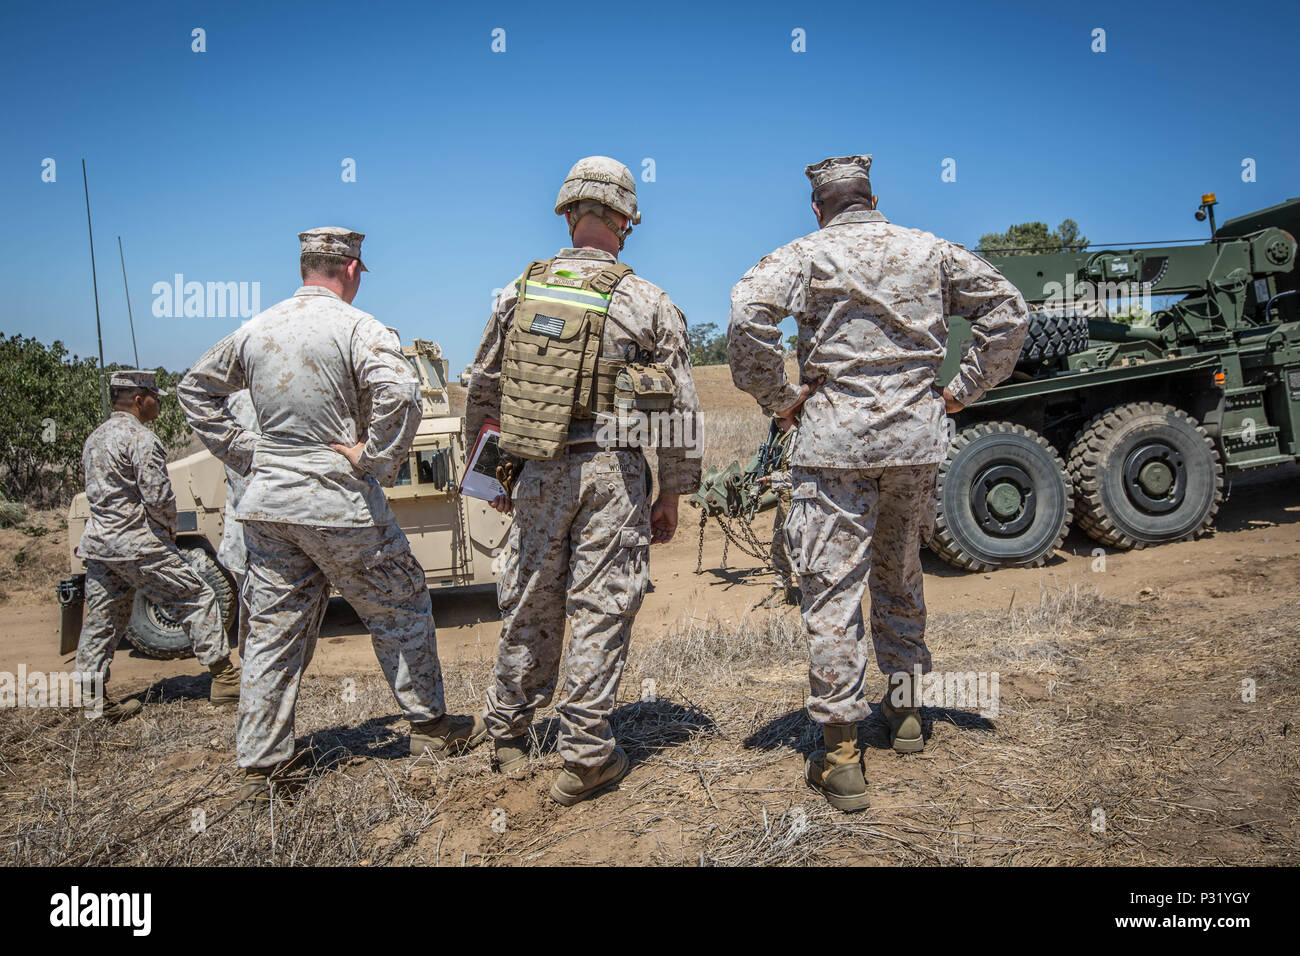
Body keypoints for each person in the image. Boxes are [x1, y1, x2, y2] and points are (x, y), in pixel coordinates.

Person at [728, 155, 1028, 811]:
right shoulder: (931, 250)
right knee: (898, 569)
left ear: (818, 206)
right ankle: (908, 716)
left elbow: (748, 315)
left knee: (832, 587)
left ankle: (839, 756)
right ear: (872, 197)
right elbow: (1009, 309)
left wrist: (781, 397)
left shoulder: (803, 255)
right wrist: (961, 389)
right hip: (915, 441)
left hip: (833, 446)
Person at [178, 227, 485, 803]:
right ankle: (429, 728)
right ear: (348, 268)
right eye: (360, 271)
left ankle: (263, 762)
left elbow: (194, 389)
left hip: (267, 506)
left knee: (272, 631)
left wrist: (248, 452)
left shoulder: (257, 328)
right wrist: (376, 459)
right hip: (338, 502)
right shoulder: (359, 328)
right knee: (400, 607)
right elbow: (400, 395)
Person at [465, 156, 702, 806]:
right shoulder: (647, 301)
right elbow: (677, 412)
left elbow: (485, 397)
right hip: (611, 469)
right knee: (601, 606)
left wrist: (497, 479)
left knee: (530, 600)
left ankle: (508, 733)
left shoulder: (517, 293)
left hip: (534, 464)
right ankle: (587, 756)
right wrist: (669, 494)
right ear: (626, 221)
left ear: (568, 214)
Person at [74, 370, 239, 721]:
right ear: (138, 399)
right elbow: (159, 497)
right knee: (197, 596)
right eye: (154, 395)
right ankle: (225, 679)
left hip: (101, 544)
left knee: (102, 619)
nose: (158, 402)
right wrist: (166, 537)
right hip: (137, 543)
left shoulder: (94, 439)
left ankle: (93, 701)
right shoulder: (141, 439)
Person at [216, 389, 257, 652]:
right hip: (265, 535)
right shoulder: (275, 396)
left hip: (243, 534)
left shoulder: (233, 401)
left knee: (252, 618)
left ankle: (251, 680)